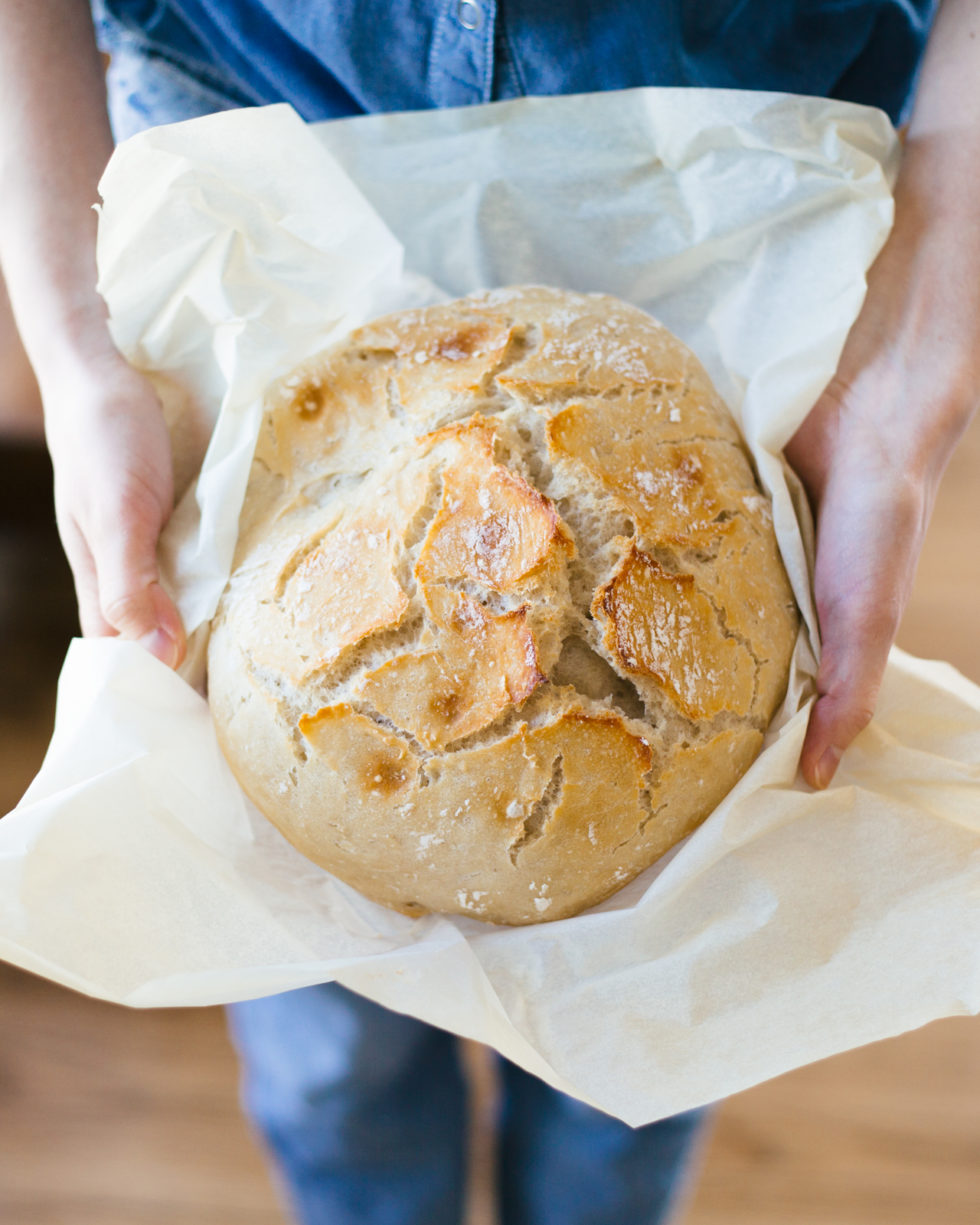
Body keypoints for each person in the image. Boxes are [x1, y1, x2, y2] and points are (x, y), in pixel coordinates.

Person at [0, 3, 977, 1224]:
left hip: (737, 185)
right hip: (251, 189)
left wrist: (940, 264)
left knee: (648, 1023)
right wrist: (76, 340)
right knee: (329, 1047)